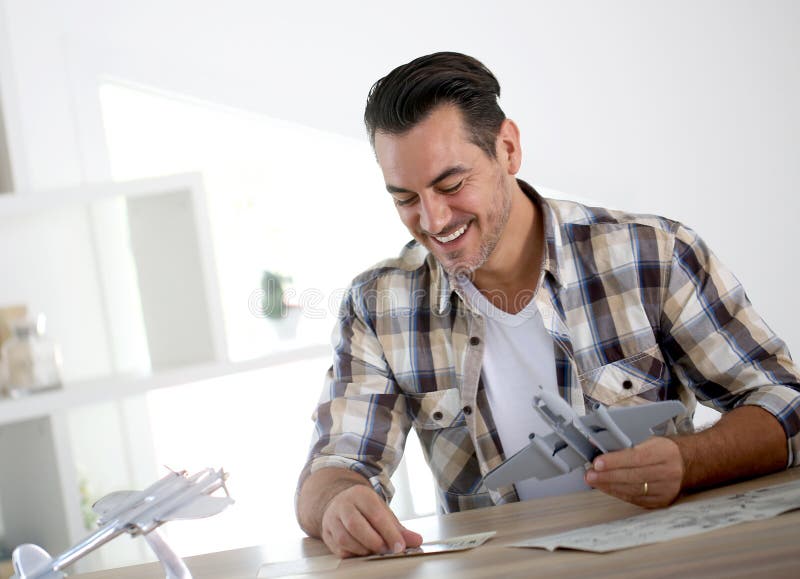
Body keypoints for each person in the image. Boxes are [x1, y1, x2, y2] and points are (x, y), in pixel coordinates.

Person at [295, 52, 800, 558]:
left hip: (663, 562)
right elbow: (331, 471)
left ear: (508, 149)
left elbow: (784, 401)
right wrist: (340, 501)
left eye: (451, 185)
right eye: (405, 198)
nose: (432, 218)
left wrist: (688, 461)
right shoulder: (378, 305)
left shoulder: (653, 253)